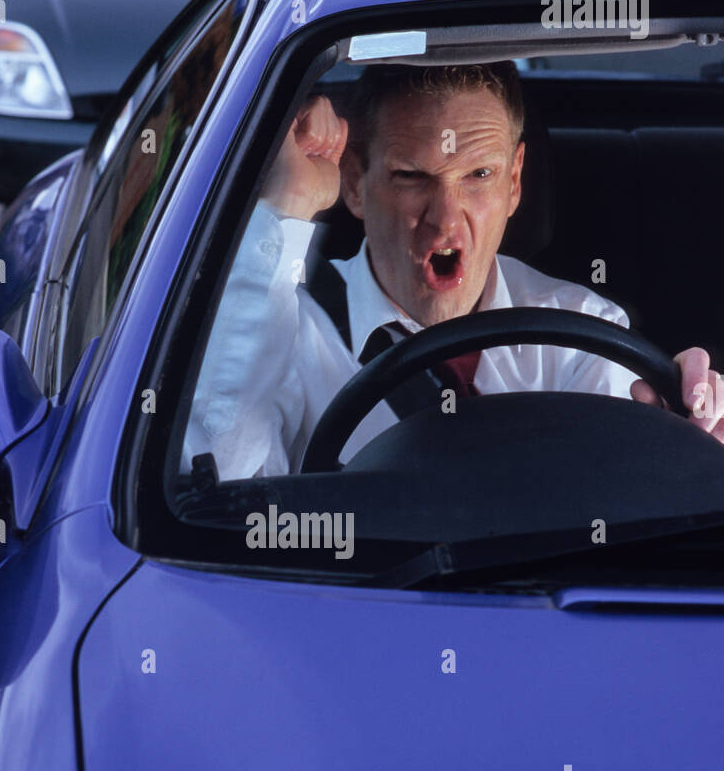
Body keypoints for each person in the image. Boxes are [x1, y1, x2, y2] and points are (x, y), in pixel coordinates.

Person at [183, 62, 724, 479]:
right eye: (411, 176)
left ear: (514, 183)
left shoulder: (585, 333)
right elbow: (216, 486)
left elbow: (628, 523)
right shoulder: (283, 333)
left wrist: (690, 445)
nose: (444, 223)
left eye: (478, 175)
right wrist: (284, 210)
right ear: (354, 184)